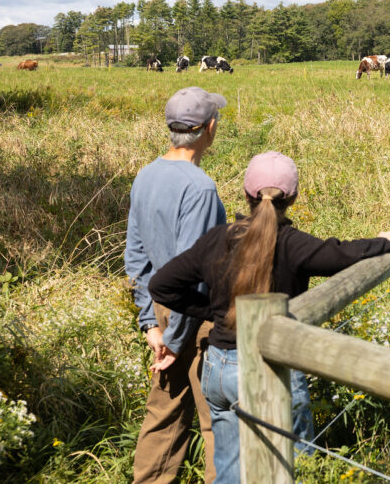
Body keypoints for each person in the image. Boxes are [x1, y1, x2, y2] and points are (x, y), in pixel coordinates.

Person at [148, 151, 390, 483]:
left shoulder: (218, 238)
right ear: (293, 198)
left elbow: (161, 285)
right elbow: (340, 253)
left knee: (229, 470)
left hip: (218, 368)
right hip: (271, 363)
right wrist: (381, 242)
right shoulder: (292, 243)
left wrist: (216, 312)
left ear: (246, 193)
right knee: (294, 467)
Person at [124, 86, 228, 484]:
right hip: (197, 318)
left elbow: (136, 256)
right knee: (217, 418)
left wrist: (151, 324)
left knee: (162, 413)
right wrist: (177, 340)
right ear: (209, 128)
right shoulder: (199, 187)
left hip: (163, 312)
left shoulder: (146, 174)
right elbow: (191, 272)